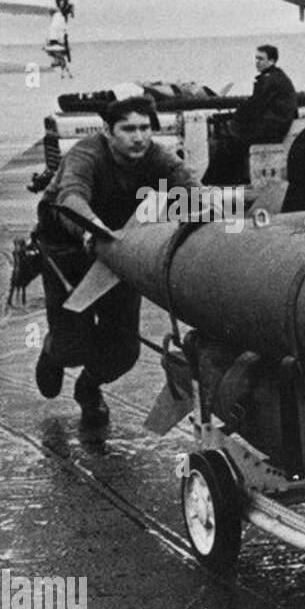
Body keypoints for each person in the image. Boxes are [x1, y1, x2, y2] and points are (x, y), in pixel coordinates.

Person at [34, 95, 202, 428]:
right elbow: (71, 197)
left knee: (123, 352)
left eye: (144, 128)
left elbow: (191, 191)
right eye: (128, 129)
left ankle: (89, 388)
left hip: (120, 250)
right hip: (68, 252)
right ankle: (53, 352)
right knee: (72, 346)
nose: (139, 137)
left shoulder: (156, 157)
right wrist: (93, 230)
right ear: (109, 131)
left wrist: (209, 217)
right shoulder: (87, 153)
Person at [204, 44, 299, 186]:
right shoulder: (276, 77)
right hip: (274, 124)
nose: (257, 62)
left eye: (261, 59)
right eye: (256, 59)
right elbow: (256, 105)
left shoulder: (269, 79)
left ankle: (215, 182)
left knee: (229, 141)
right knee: (232, 139)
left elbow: (255, 105)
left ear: (272, 61)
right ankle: (225, 180)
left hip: (272, 128)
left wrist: (234, 116)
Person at [44, 0, 74, 78]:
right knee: (56, 53)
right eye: (60, 1)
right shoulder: (58, 15)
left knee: (57, 52)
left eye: (62, 1)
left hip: (58, 38)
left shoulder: (60, 15)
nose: (61, 3)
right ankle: (64, 68)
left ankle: (63, 68)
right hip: (55, 37)